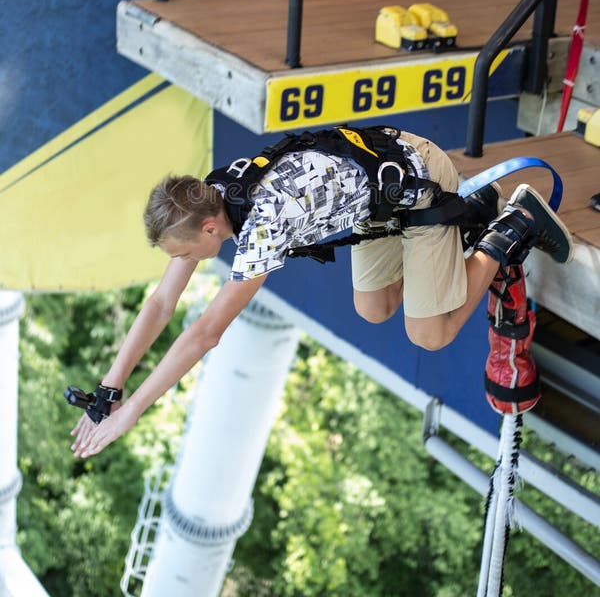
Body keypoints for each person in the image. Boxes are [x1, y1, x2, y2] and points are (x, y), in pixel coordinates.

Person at [70, 125, 572, 459]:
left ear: (206, 230)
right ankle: (465, 225)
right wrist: (112, 388)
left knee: (430, 334)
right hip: (378, 203)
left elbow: (204, 334)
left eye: (180, 253)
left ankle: (511, 225)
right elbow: (161, 303)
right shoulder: (210, 194)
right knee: (374, 307)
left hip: (419, 179)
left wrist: (134, 410)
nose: (178, 264)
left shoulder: (263, 224)